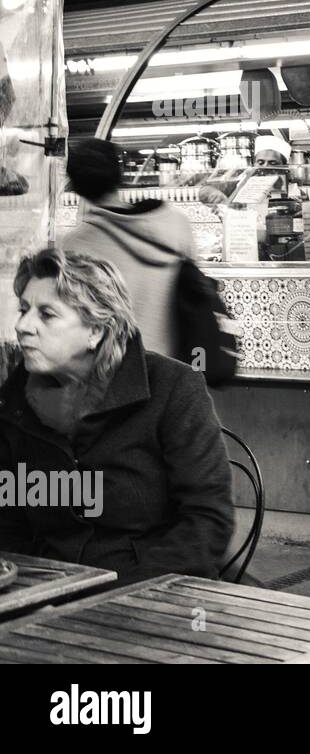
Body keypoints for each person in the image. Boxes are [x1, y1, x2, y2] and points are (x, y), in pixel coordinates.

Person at [0, 249, 233, 584]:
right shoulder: (14, 402)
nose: (23, 326)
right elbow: (7, 521)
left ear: (97, 330)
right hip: (48, 592)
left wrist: (126, 589)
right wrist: (30, 590)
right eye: (24, 310)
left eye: (47, 315)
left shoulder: (172, 389)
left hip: (153, 592)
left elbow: (207, 520)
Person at [60, 137, 194, 361]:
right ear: (119, 174)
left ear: (75, 187)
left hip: (115, 370)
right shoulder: (175, 223)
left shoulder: (74, 245)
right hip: (171, 367)